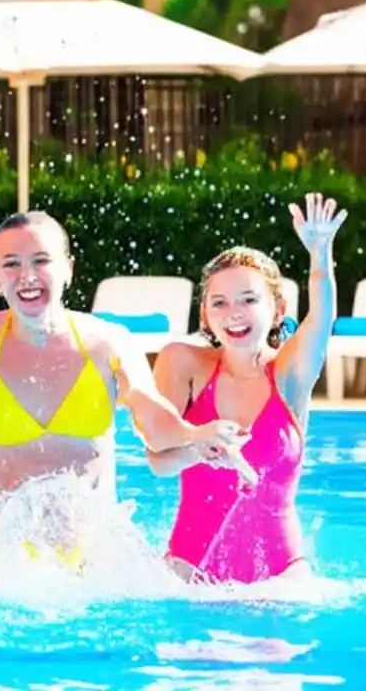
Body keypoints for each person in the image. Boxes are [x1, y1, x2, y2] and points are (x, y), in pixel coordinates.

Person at [0, 209, 249, 577]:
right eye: (11, 264)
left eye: (41, 260)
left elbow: (151, 417)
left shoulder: (108, 342)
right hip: (3, 560)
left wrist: (194, 434)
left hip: (92, 560)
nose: (27, 276)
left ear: (69, 269)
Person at [148, 192, 346, 585]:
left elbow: (322, 318)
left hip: (281, 581)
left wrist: (320, 254)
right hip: (187, 577)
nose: (233, 313)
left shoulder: (289, 376)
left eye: (249, 299)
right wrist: (195, 445)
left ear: (278, 309)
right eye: (218, 302)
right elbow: (157, 459)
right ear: (205, 313)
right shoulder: (182, 364)